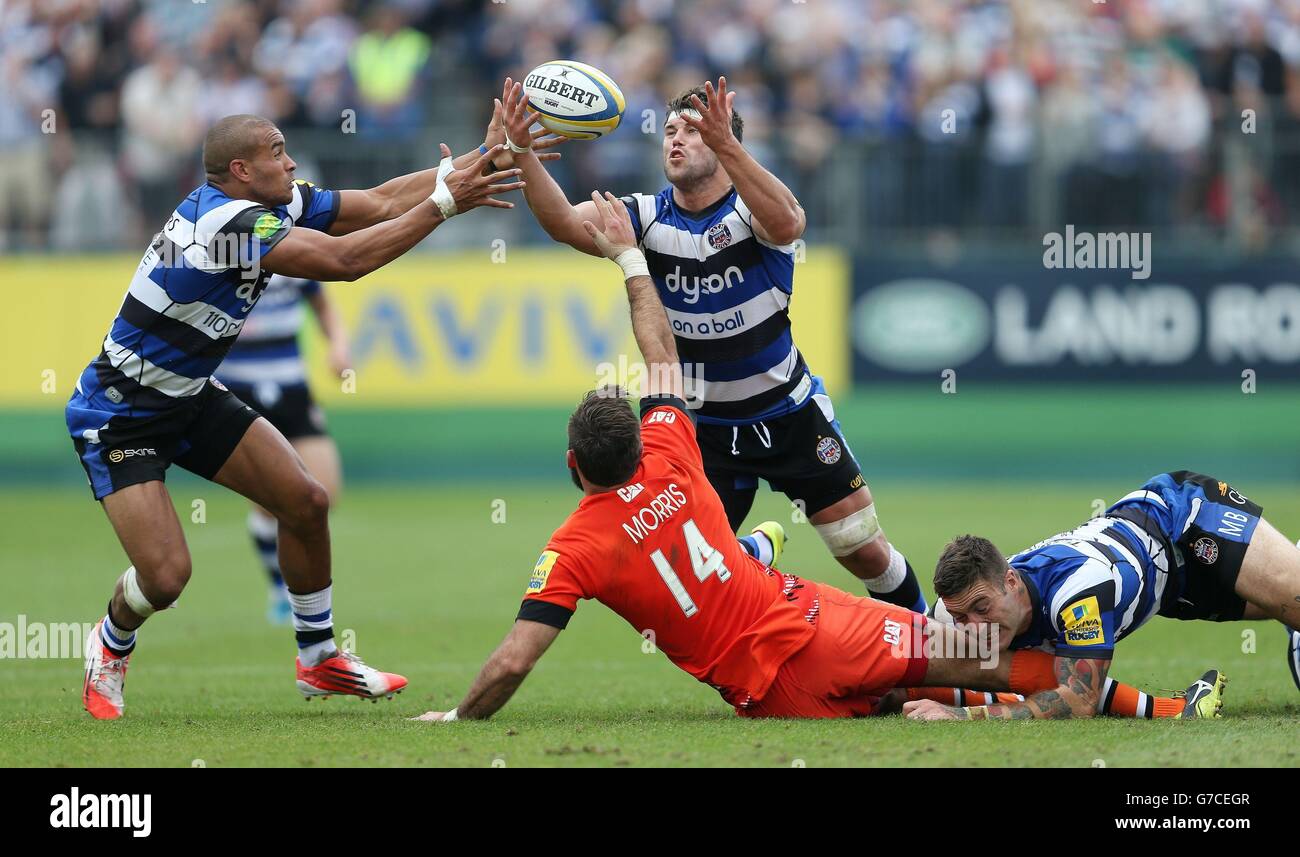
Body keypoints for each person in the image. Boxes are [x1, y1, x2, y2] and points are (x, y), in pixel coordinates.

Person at [413, 191, 1071, 724]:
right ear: (642, 443)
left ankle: (757, 552)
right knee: (929, 665)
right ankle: (1097, 688)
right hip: (797, 609)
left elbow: (512, 661)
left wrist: (456, 718)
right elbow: (663, 358)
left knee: (889, 661)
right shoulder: (672, 447)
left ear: (571, 465)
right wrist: (631, 261)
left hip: (770, 683)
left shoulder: (572, 547)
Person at [70, 113, 525, 719]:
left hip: (188, 395)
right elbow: (345, 262)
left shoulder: (265, 206)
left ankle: (318, 659)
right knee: (167, 577)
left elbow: (382, 199)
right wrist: (446, 203)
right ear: (241, 171)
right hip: (120, 412)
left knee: (307, 502)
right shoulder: (225, 223)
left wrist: (480, 156)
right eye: (277, 153)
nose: (290, 164)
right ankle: (111, 640)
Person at [499, 76, 928, 615]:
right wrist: (522, 151)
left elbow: (791, 221)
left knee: (862, 550)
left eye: (693, 132)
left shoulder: (752, 210)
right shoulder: (644, 217)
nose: (675, 139)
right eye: (670, 130)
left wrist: (728, 144)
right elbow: (561, 222)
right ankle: (753, 552)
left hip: (789, 413)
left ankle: (927, 643)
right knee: (687, 580)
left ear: (726, 141)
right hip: (705, 432)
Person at [904, 472, 1298, 720]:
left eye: (980, 608)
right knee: (1283, 609)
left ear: (1010, 582)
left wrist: (963, 717)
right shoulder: (954, 613)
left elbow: (1079, 701)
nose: (973, 628)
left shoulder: (1077, 593)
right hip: (1172, 588)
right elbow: (921, 667)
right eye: (961, 618)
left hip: (1186, 519)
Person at [213, 273, 349, 624]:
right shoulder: (224, 249)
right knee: (272, 498)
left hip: (292, 388)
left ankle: (292, 588)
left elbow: (322, 304)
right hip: (237, 389)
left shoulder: (296, 251)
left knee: (323, 494)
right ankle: (280, 588)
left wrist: (338, 346)